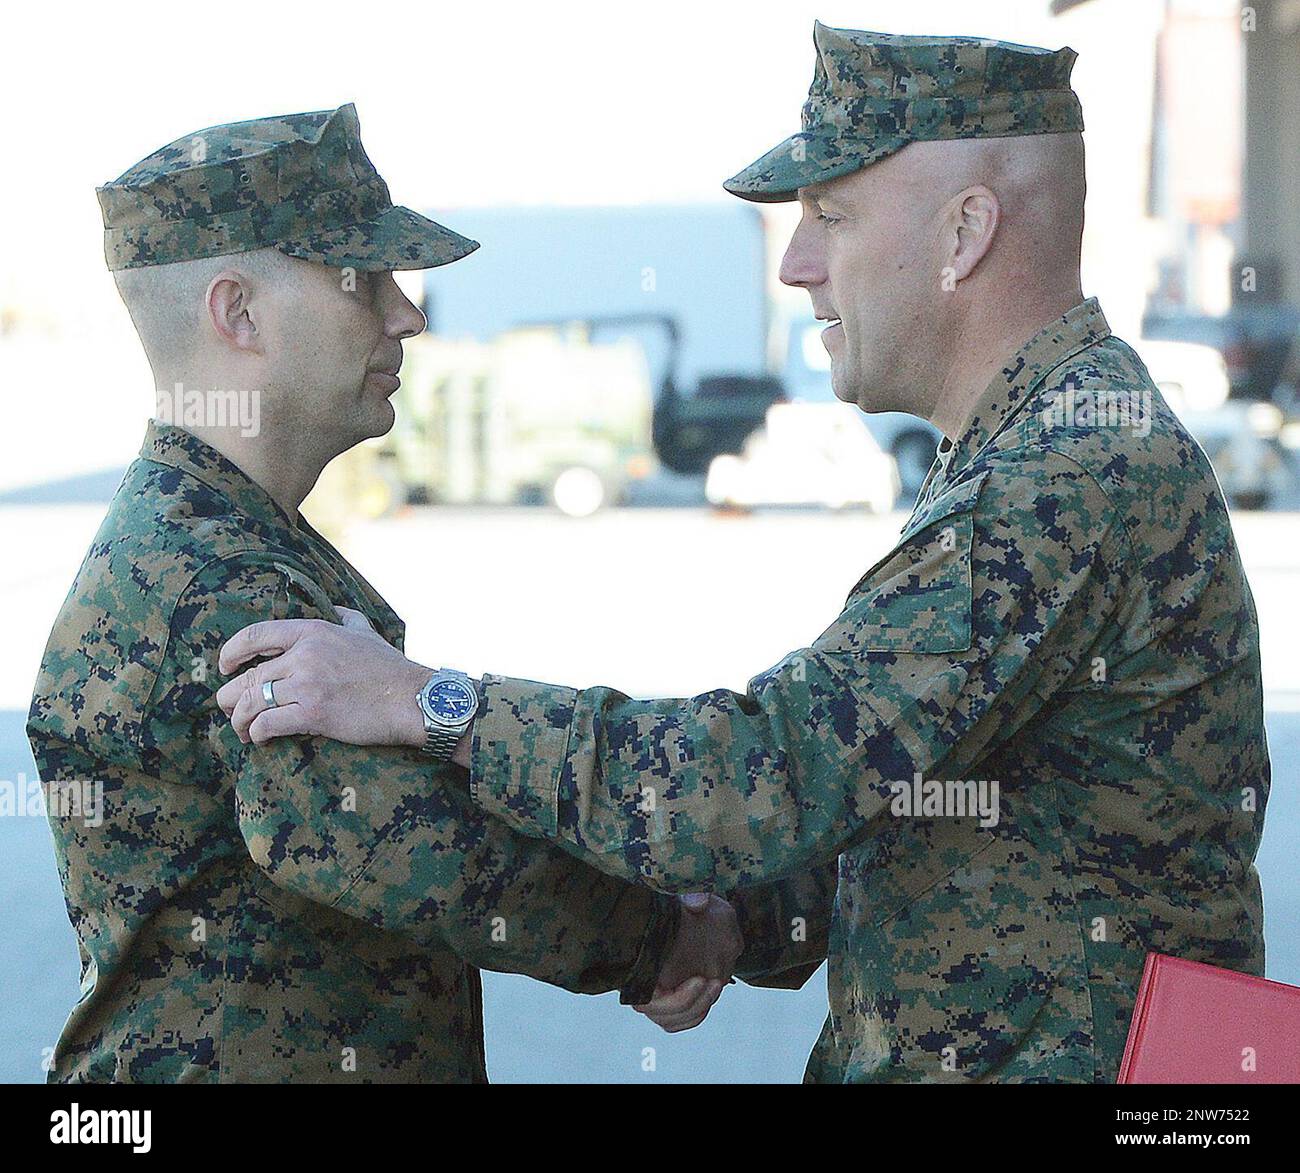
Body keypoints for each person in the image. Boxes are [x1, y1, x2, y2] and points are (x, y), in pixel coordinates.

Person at [218, 27, 1270, 1082]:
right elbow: (903, 800)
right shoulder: (1037, 441)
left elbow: (769, 774)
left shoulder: (1063, 474)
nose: (795, 263)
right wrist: (721, 924)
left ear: (965, 233)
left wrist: (427, 703)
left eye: (831, 216)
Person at [27, 103, 740, 1084]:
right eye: (363, 280)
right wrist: (661, 934)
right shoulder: (217, 581)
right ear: (239, 314)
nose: (406, 314)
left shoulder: (232, 541)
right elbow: (415, 850)